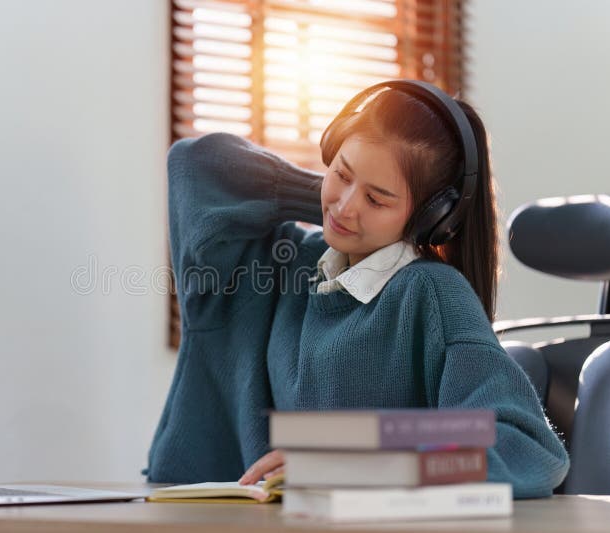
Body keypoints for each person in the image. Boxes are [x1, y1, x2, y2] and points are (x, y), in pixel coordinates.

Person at [144, 80, 569, 498]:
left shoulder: (430, 294)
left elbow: (526, 448)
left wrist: (361, 463)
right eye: (341, 173)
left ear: (429, 217)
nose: (347, 206)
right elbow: (195, 167)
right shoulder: (287, 263)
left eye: (378, 199)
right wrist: (333, 202)